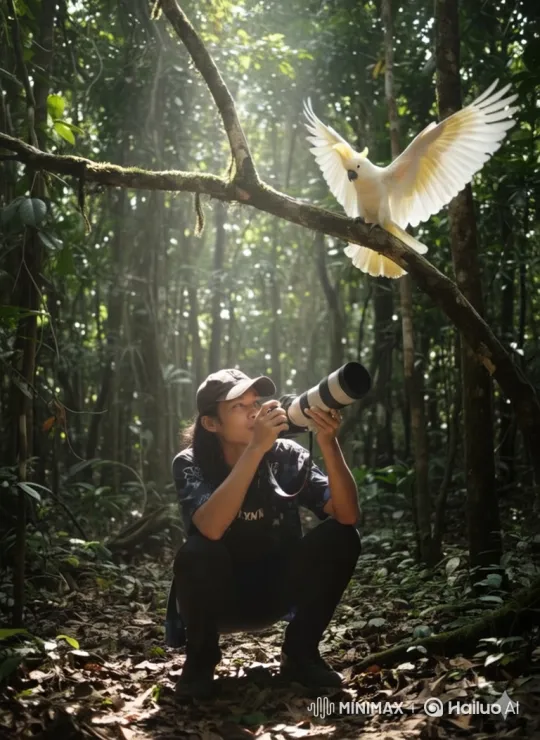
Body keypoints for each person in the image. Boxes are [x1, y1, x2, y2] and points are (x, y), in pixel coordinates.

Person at [168, 368, 361, 699]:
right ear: (211, 424)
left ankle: (300, 653)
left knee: (343, 537)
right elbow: (211, 528)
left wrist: (329, 443)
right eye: (238, 407)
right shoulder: (190, 462)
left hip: (277, 590)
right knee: (197, 552)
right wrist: (255, 449)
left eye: (254, 402)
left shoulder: (286, 455)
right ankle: (200, 662)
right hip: (219, 599)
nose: (253, 411)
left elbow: (348, 514)